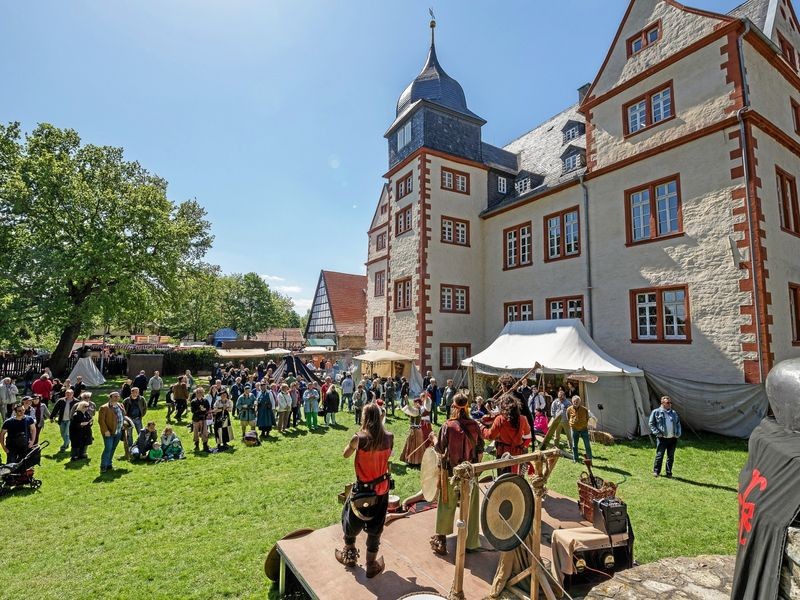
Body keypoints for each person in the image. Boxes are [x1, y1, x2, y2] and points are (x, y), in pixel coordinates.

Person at [335, 403, 393, 578]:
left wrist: (354, 441)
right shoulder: (389, 437)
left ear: (365, 417)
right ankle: (371, 565)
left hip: (363, 490)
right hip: (382, 489)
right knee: (376, 526)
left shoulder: (358, 438)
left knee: (350, 520)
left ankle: (350, 556)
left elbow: (345, 454)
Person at [430, 393, 484, 556]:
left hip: (452, 473)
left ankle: (441, 540)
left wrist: (433, 437)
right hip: (470, 474)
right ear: (467, 407)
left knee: (446, 505)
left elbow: (439, 449)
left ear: (454, 407)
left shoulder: (448, 425)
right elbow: (480, 451)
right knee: (471, 508)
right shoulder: (475, 425)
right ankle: (471, 542)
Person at [479, 393, 532, 475]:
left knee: (503, 482)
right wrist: (521, 447)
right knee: (518, 481)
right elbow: (528, 438)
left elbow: (490, 435)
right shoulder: (523, 419)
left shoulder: (500, 419)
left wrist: (481, 427)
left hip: (503, 455)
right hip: (519, 456)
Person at [649, 395, 682, 478]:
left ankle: (669, 472)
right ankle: (656, 471)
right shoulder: (656, 412)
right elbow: (651, 424)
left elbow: (678, 424)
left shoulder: (674, 413)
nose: (670, 404)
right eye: (668, 402)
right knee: (659, 455)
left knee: (670, 456)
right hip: (662, 438)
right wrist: (657, 433)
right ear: (662, 403)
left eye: (670, 402)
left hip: (673, 439)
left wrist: (678, 434)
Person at [98, 392, 126, 473]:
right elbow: (101, 421)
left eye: (118, 396)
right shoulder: (104, 407)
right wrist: (106, 431)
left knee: (113, 448)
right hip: (109, 432)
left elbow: (123, 416)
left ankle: (109, 464)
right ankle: (103, 466)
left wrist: (124, 424)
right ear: (110, 397)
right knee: (108, 448)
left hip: (118, 431)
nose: (117, 397)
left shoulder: (120, 405)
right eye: (115, 396)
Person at [567, 395, 592, 463]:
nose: (575, 403)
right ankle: (575, 458)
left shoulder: (584, 410)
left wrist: (582, 424)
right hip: (574, 429)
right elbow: (568, 417)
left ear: (579, 402)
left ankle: (589, 459)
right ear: (572, 402)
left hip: (584, 429)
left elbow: (587, 418)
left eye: (577, 401)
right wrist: (572, 424)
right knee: (574, 445)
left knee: (587, 445)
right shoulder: (569, 409)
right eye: (574, 401)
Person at [190, 387, 211, 453]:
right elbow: (192, 411)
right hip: (196, 419)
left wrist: (205, 410)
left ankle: (205, 445)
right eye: (198, 392)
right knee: (196, 432)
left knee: (204, 432)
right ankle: (196, 445)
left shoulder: (205, 400)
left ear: (202, 393)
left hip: (203, 418)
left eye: (200, 392)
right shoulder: (193, 401)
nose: (199, 394)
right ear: (196, 393)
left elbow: (208, 408)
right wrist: (199, 409)